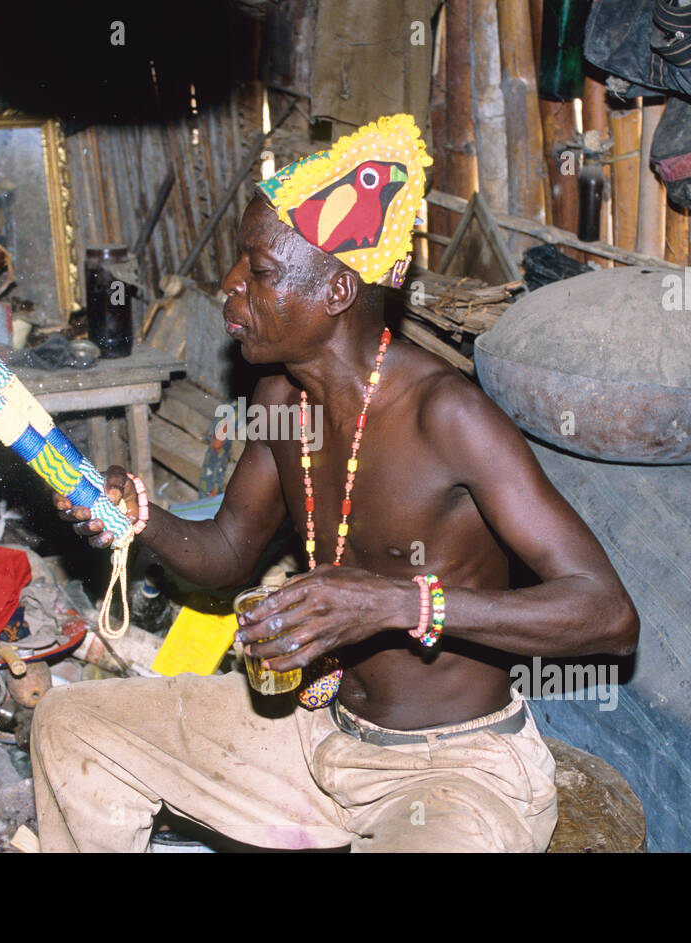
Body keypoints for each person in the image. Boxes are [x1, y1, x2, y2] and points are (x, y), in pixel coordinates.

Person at [32, 114, 638, 852]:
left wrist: (398, 601)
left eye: (259, 272)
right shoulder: (281, 401)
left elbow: (608, 615)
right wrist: (140, 516)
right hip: (316, 734)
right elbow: (226, 550)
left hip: (452, 770)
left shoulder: (447, 417)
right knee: (73, 724)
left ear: (337, 291)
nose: (228, 288)